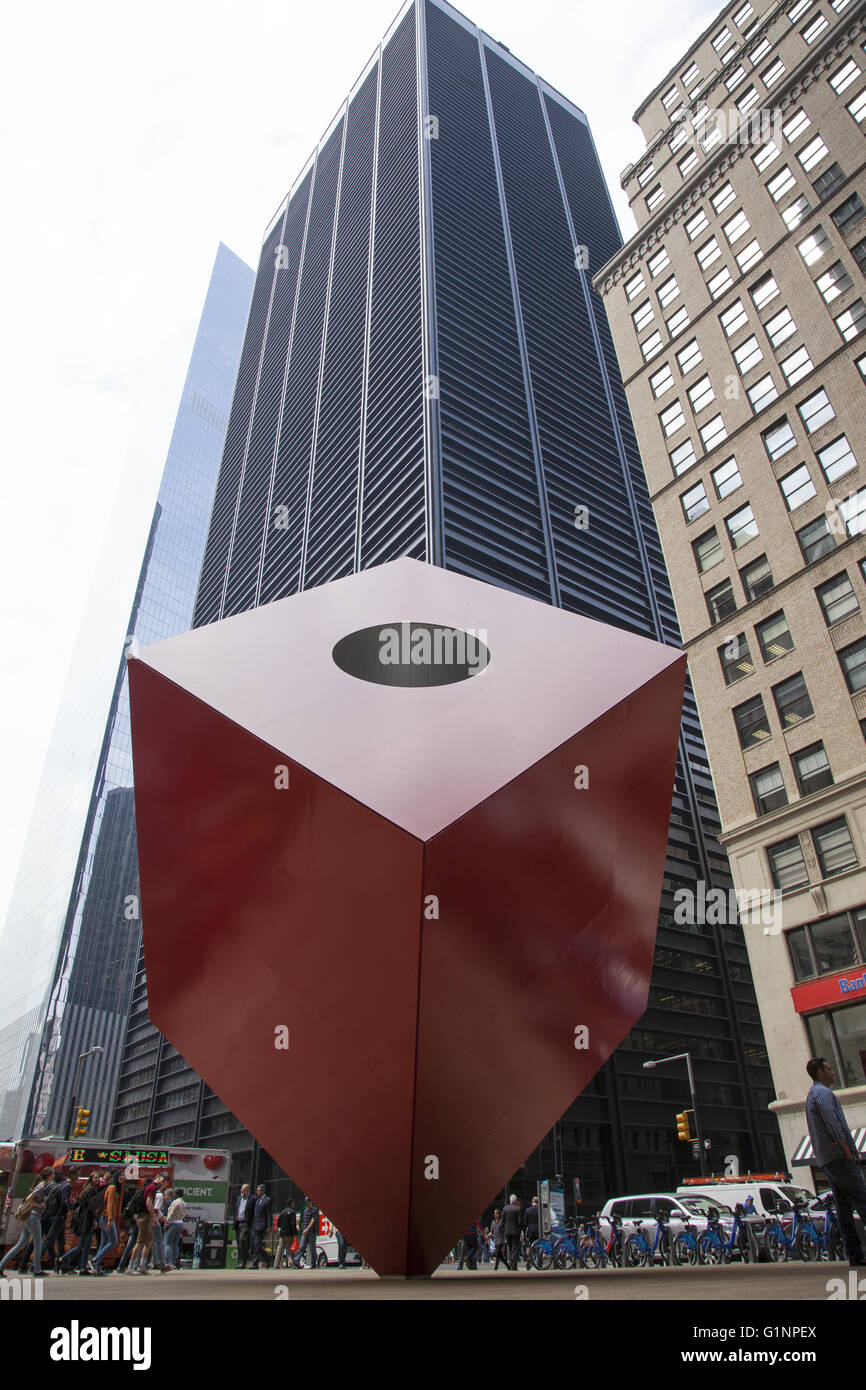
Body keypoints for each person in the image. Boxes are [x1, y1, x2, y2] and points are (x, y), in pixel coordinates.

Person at [805, 1056, 866, 1266]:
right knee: (862, 1199)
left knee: (844, 1208)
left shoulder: (814, 1094)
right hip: (838, 1158)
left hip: (828, 1159)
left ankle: (854, 1254)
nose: (833, 1072)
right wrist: (847, 1151)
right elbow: (832, 1122)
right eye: (829, 1069)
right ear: (820, 1072)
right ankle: (855, 1253)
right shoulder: (822, 1093)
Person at [0, 1177, 47, 1277]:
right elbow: (29, 1200)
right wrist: (40, 1206)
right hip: (33, 1217)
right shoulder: (40, 1188)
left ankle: (1, 1265)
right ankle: (37, 1270)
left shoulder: (35, 1188)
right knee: (38, 1242)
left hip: (28, 1217)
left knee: (21, 1244)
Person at [59, 1173, 100, 1276]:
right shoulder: (91, 1190)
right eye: (95, 1177)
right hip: (87, 1221)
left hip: (86, 1221)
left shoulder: (87, 1189)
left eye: (98, 1177)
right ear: (91, 1179)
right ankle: (62, 1259)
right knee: (83, 1245)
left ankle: (83, 1268)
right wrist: (94, 1220)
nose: (97, 1179)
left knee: (87, 1246)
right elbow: (90, 1208)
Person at [125, 1171, 159, 1275]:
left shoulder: (149, 1188)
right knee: (140, 1241)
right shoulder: (152, 1188)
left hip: (144, 1216)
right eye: (164, 1180)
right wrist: (154, 1217)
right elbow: (148, 1202)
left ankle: (142, 1265)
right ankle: (130, 1267)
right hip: (144, 1217)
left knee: (150, 1240)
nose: (165, 1182)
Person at [43, 1165, 76, 1271]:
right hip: (59, 1217)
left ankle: (64, 1266)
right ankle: (34, 1265)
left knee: (61, 1243)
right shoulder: (66, 1186)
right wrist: (72, 1207)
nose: (78, 1177)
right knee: (48, 1241)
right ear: (73, 1175)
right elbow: (65, 1201)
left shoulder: (62, 1185)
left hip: (58, 1216)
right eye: (78, 1175)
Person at [92, 1169, 122, 1275]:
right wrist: (110, 1219)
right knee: (113, 1241)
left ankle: (97, 1267)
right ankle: (95, 1259)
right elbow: (109, 1204)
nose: (122, 1178)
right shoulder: (113, 1187)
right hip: (107, 1217)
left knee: (103, 1242)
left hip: (104, 1217)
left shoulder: (110, 1187)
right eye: (120, 1176)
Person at [249, 1184, 272, 1269]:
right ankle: (267, 1258)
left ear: (262, 1191)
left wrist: (269, 1225)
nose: (257, 1192)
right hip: (255, 1225)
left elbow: (269, 1213)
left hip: (262, 1225)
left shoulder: (267, 1200)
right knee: (255, 1244)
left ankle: (255, 1264)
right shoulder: (257, 1201)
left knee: (257, 1244)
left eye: (258, 1190)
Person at [163, 1188, 187, 1269]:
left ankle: (166, 1262)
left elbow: (171, 1213)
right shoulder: (183, 1203)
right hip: (180, 1223)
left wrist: (166, 1223)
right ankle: (173, 1263)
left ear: (176, 1194)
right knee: (175, 1244)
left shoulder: (175, 1202)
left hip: (173, 1223)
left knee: (167, 1243)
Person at [294, 1197, 319, 1269]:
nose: (306, 1203)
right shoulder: (305, 1210)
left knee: (312, 1249)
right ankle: (296, 1260)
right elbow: (304, 1221)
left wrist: (307, 1229)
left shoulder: (314, 1210)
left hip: (312, 1232)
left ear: (310, 1202)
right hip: (305, 1232)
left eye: (307, 1202)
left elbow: (313, 1221)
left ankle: (314, 1263)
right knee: (301, 1247)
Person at [234, 1184, 254, 1269]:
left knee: (242, 1240)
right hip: (237, 1223)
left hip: (245, 1223)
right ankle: (241, 1262)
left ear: (248, 1190)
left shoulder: (252, 1199)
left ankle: (244, 1260)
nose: (241, 1191)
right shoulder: (239, 1198)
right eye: (241, 1189)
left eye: (244, 1189)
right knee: (239, 1243)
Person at [274, 1204, 297, 1270]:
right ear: (292, 1204)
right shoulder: (292, 1212)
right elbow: (293, 1223)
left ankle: (276, 1265)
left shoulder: (282, 1212)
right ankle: (294, 1264)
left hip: (282, 1233)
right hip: (289, 1234)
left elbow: (278, 1224)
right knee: (291, 1249)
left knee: (280, 1249)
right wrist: (295, 1234)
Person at [502, 1194, 522, 1271]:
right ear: (515, 1201)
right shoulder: (518, 1209)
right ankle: (513, 1266)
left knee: (509, 1248)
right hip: (515, 1231)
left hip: (507, 1231)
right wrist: (520, 1230)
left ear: (510, 1201)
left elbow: (502, 1221)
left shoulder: (505, 1209)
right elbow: (520, 1221)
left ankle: (510, 1265)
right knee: (515, 1249)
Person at [523, 1196, 540, 1268]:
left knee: (531, 1246)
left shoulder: (528, 1210)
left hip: (530, 1231)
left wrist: (524, 1232)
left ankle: (530, 1258)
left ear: (532, 1202)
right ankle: (538, 1262)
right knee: (539, 1246)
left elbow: (525, 1223)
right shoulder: (539, 1210)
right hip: (538, 1230)